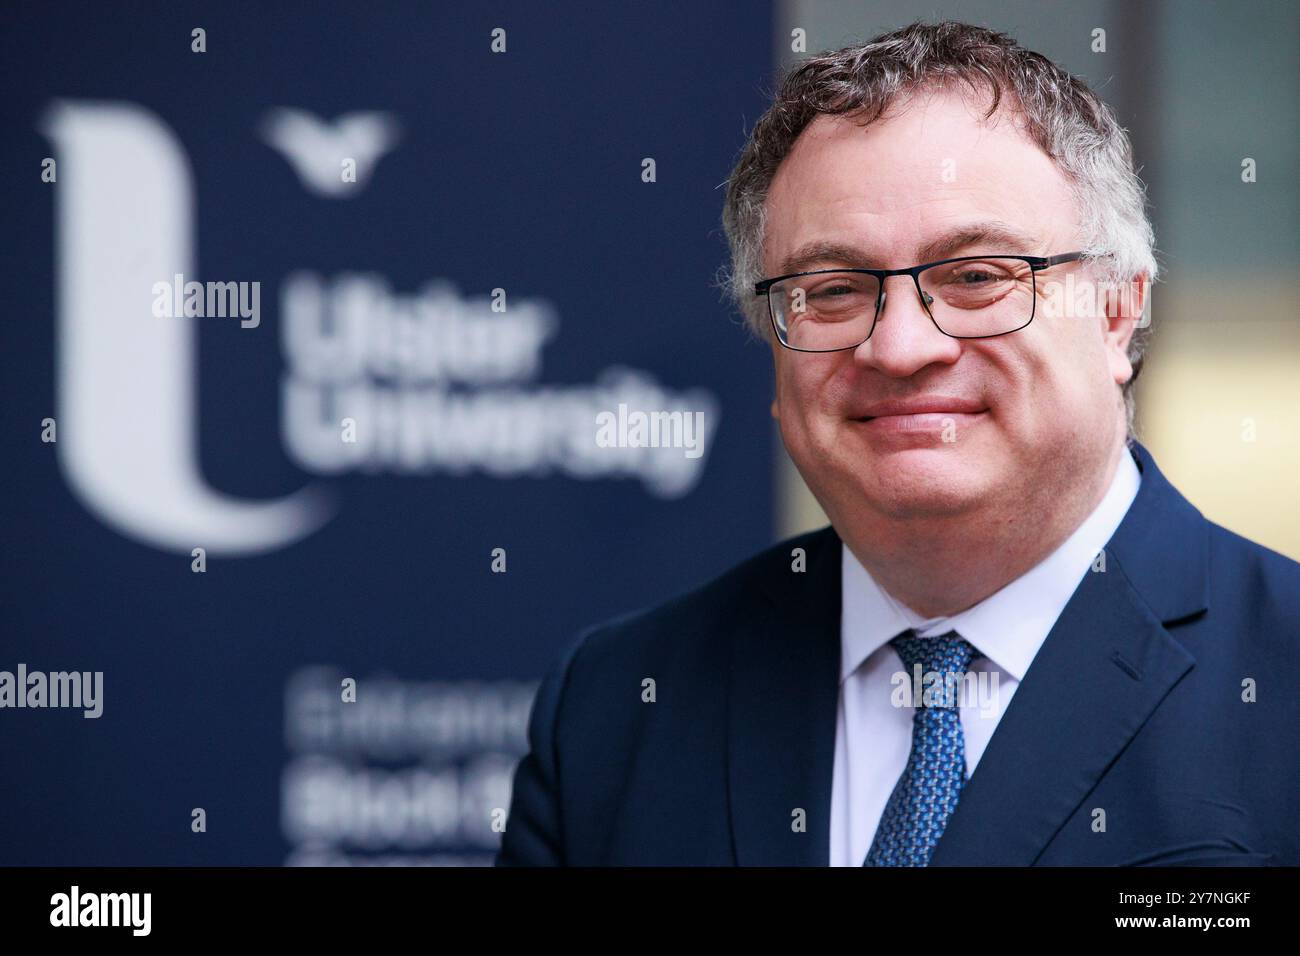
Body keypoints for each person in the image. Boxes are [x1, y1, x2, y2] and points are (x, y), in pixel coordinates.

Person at [495, 20, 1300, 866]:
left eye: (977, 276)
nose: (902, 347)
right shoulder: (619, 708)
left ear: (1115, 312)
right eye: (834, 290)